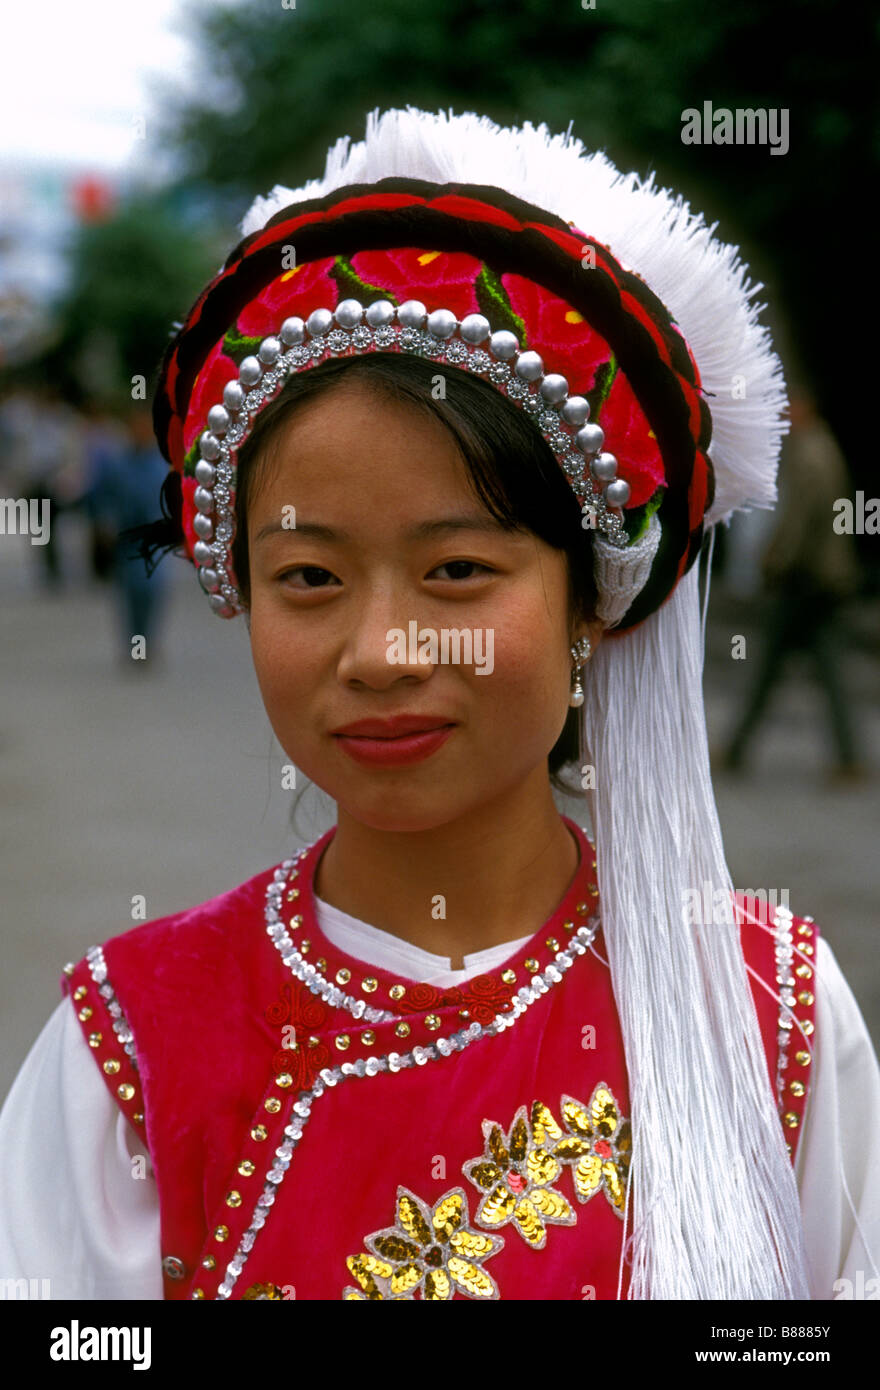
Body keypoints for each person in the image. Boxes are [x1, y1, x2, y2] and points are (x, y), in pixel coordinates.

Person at [1, 107, 877, 1301]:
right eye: (307, 577)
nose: (380, 648)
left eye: (456, 570)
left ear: (593, 598)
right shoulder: (132, 1052)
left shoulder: (767, 1012)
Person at [721, 388, 865, 780]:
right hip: (819, 578)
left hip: (809, 579)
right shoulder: (818, 448)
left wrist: (774, 560)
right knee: (806, 668)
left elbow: (801, 519)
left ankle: (738, 749)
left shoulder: (812, 453)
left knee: (779, 667)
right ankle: (846, 757)